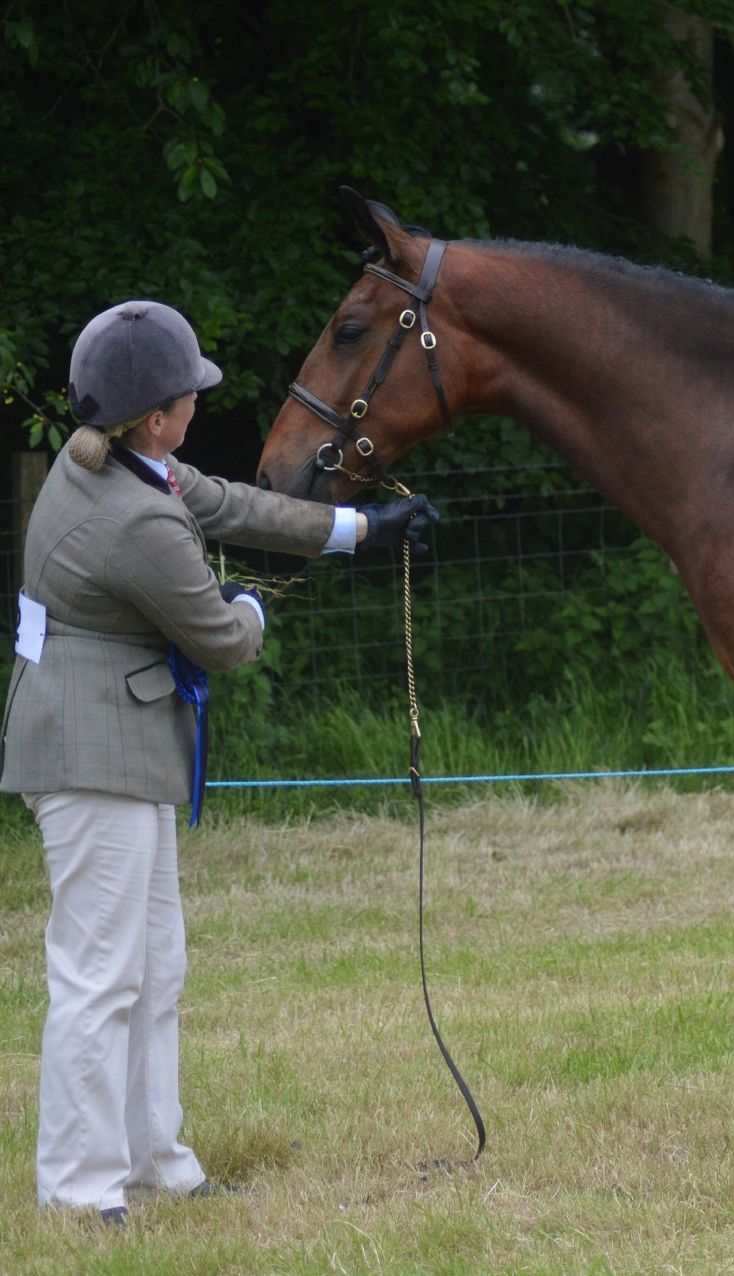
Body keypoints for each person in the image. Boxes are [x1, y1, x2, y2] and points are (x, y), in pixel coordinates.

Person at [0, 300, 437, 1224]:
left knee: (155, 966)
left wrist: (362, 531)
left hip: (116, 739)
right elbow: (223, 640)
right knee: (98, 976)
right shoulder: (133, 520)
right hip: (91, 752)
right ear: (155, 414)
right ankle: (78, 1195)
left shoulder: (117, 460)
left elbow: (228, 503)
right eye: (189, 391)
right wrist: (255, 610)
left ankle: (158, 1162)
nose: (199, 400)